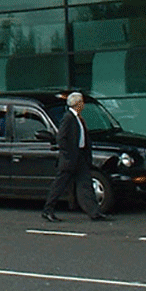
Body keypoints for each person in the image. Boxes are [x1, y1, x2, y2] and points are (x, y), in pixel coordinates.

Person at [42, 91, 110, 222]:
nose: (83, 105)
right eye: (82, 102)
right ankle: (48, 210)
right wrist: (68, 154)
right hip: (70, 158)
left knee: (86, 184)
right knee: (59, 185)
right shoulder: (68, 118)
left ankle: (94, 212)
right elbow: (61, 138)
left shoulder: (78, 118)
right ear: (77, 104)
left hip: (80, 157)